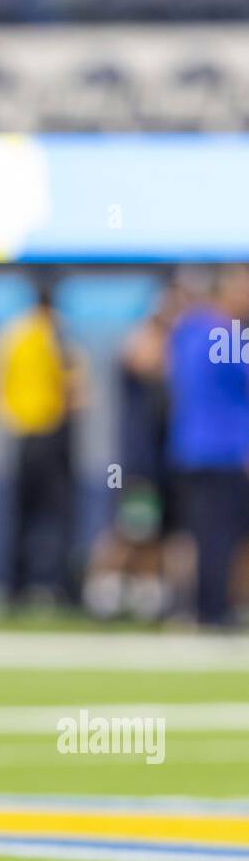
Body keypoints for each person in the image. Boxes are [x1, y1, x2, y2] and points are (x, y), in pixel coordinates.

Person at [0, 283, 85, 606]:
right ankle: (61, 588)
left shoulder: (13, 333)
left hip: (21, 434)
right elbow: (75, 383)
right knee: (60, 517)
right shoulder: (57, 332)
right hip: (52, 433)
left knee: (20, 515)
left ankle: (14, 589)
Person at [167, 267, 249, 626]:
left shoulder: (187, 329)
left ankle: (198, 609)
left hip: (189, 448)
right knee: (220, 536)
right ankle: (213, 611)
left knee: (199, 533)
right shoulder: (229, 335)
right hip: (224, 452)